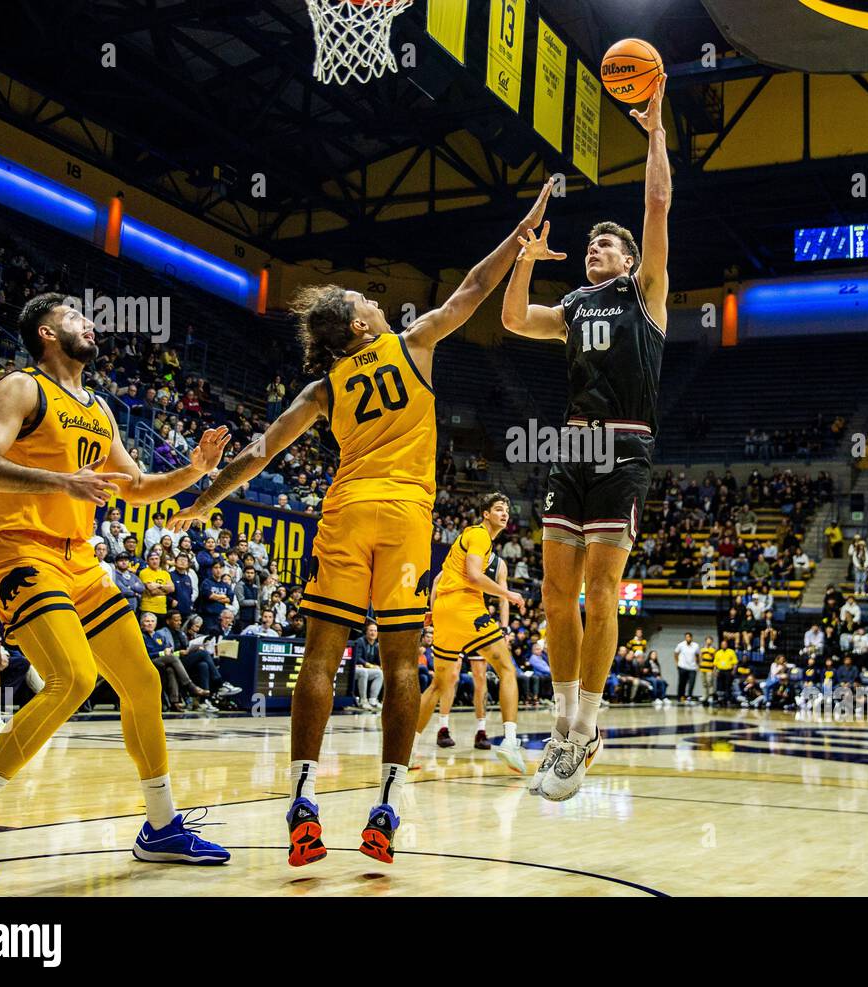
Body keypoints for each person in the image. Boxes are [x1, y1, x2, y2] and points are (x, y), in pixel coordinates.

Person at [167, 182, 556, 866]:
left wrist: (205, 498)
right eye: (367, 300)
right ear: (358, 326)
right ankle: (388, 802)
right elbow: (473, 284)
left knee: (321, 657)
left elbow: (260, 451)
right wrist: (521, 231)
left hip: (345, 508)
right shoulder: (414, 341)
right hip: (405, 513)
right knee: (404, 663)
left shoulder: (322, 390)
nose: (376, 301)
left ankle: (303, 796)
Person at [0, 292, 231, 889]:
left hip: (79, 561)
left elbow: (133, 487)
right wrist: (62, 480)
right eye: (74, 316)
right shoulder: (20, 387)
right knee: (74, 679)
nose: (89, 322)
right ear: (47, 332)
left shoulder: (101, 408)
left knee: (143, 682)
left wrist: (193, 471)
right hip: (20, 551)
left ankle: (161, 826)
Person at [501, 75, 670, 801]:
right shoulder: (569, 305)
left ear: (628, 260)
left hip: (624, 444)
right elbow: (511, 320)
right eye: (593, 240)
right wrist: (521, 259)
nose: (597, 246)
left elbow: (657, 202)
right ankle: (565, 723)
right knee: (553, 592)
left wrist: (656, 127)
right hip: (572, 445)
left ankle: (591, 725)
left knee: (602, 594)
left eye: (608, 242)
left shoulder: (646, 291)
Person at [413, 493, 525, 771]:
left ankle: (408, 750)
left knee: (439, 685)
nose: (504, 513)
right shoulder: (480, 536)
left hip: (445, 613)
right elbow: (474, 577)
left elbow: (439, 579)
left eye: (506, 510)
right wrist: (508, 594)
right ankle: (510, 741)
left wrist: (432, 611)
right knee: (507, 670)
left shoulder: (472, 540)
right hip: (467, 609)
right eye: (498, 509)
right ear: (485, 514)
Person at [351, 622, 384, 711]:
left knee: (380, 673)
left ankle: (373, 700)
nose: (373, 633)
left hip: (368, 669)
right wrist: (369, 665)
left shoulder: (377, 645)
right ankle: (363, 700)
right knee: (364, 672)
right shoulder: (360, 641)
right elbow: (357, 657)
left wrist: (380, 666)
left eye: (375, 631)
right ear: (366, 632)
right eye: (371, 630)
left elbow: (379, 661)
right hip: (357, 668)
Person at [674, 632, 699, 703]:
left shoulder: (695, 645)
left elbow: (697, 655)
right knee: (682, 683)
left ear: (691, 638)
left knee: (691, 683)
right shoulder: (680, 645)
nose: (688, 638)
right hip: (682, 666)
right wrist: (677, 663)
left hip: (692, 667)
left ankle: (689, 697)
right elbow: (676, 653)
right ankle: (680, 697)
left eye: (689, 637)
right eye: (686, 637)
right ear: (685, 638)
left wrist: (698, 664)